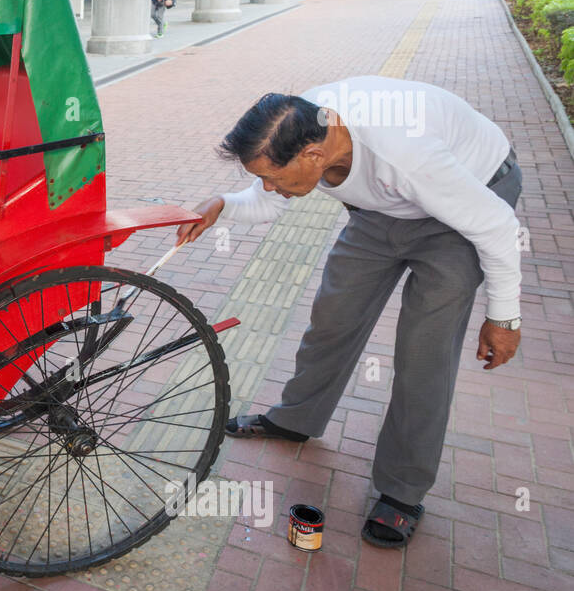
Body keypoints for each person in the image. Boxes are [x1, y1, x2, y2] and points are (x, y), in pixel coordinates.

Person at [175, 78, 523, 548]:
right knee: (333, 315)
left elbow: (496, 226)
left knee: (424, 352)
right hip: (385, 205)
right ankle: (296, 419)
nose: (267, 186)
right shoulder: (300, 123)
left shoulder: (405, 151)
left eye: (271, 177)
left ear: (315, 157)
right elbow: (270, 196)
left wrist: (504, 317)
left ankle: (402, 490)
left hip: (468, 200)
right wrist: (222, 204)